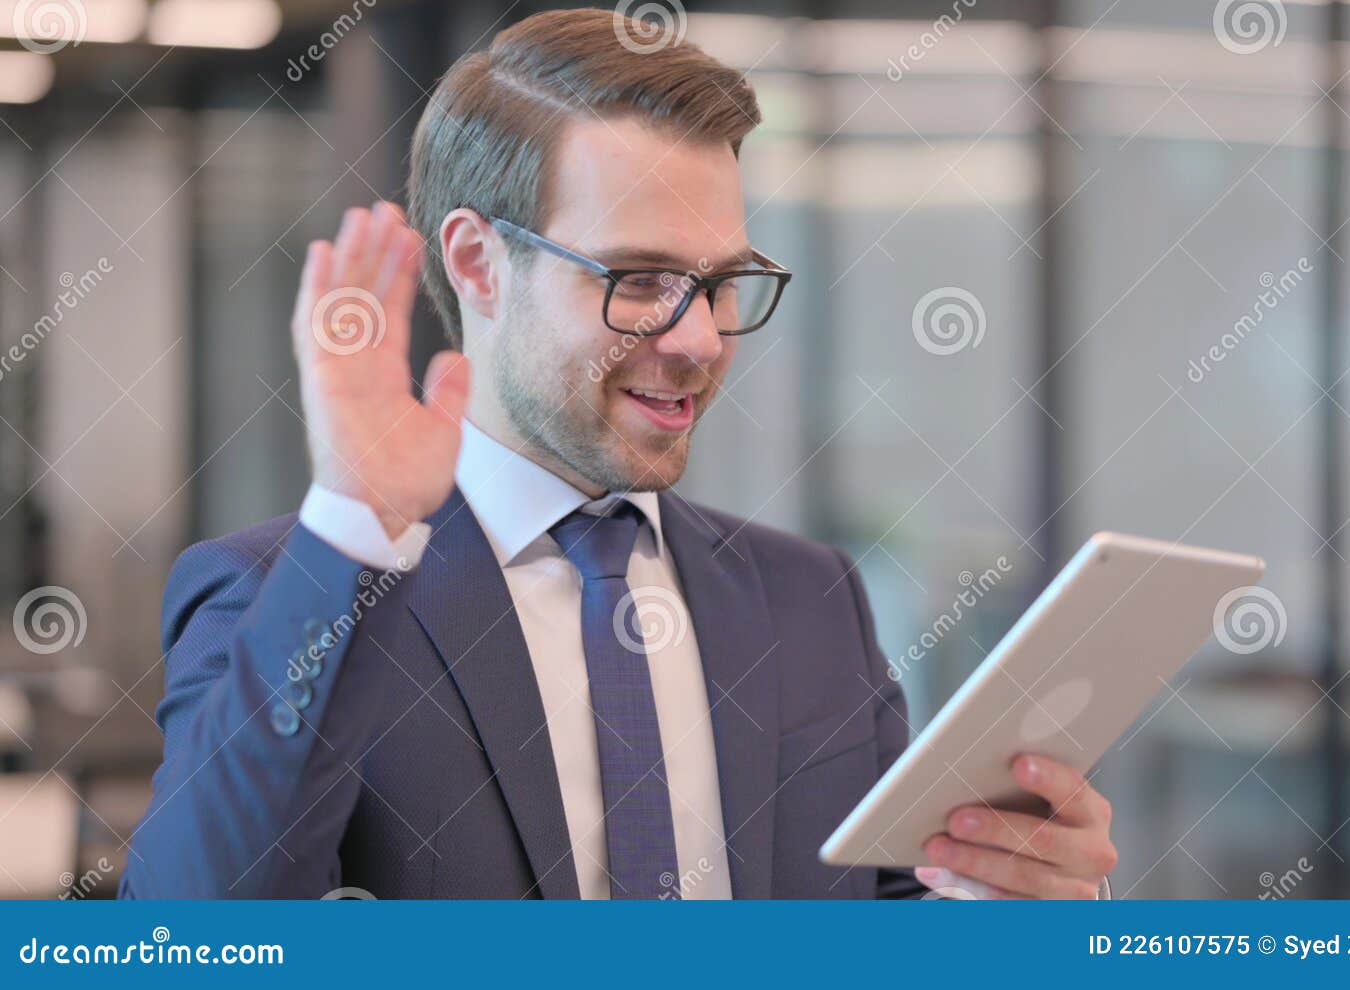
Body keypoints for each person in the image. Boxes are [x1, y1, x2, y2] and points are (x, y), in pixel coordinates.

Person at [120, 6, 1116, 900]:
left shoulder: (806, 600)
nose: (698, 340)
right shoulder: (284, 591)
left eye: (721, 282)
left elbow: (880, 920)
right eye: (638, 280)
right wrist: (352, 528)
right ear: (477, 263)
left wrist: (1003, 905)